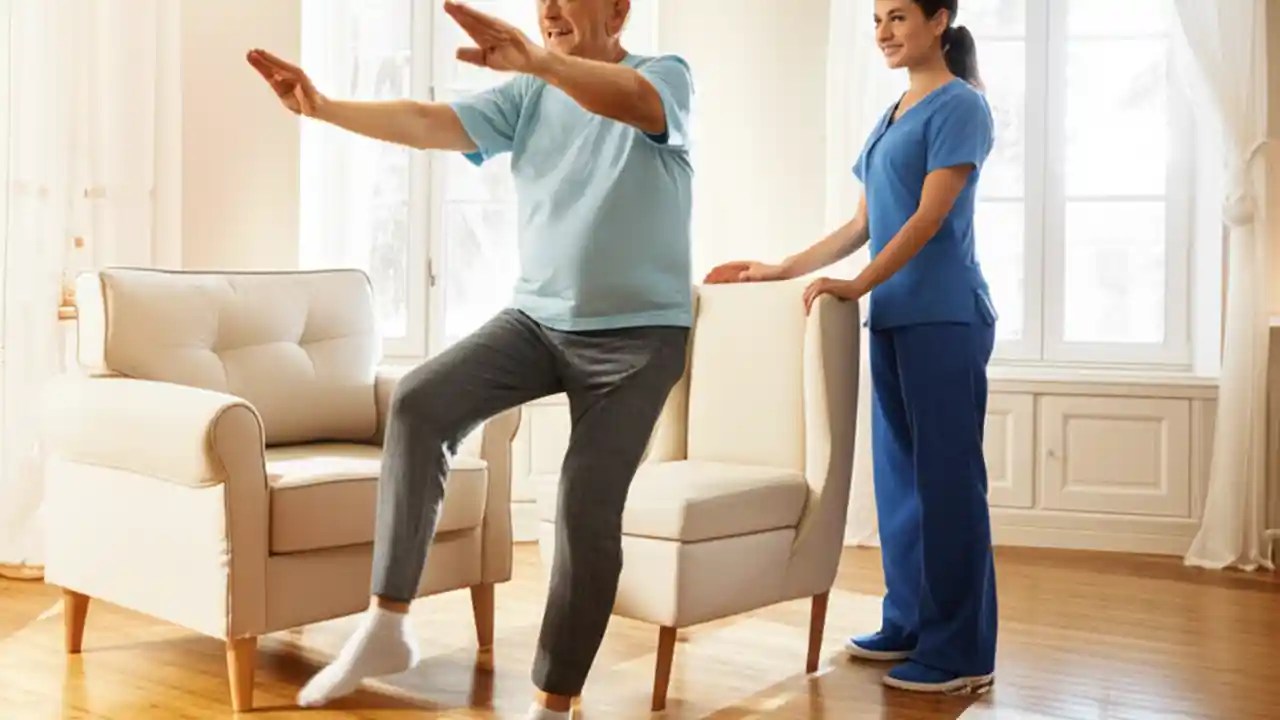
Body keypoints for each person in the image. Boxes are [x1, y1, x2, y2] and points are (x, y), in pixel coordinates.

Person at [247, 1, 694, 717]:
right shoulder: (529, 93)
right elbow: (427, 123)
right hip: (539, 320)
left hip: (638, 342)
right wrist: (323, 107)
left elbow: (635, 104)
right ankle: (388, 623)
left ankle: (554, 702)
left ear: (617, 9)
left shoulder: (663, 75)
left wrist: (541, 62)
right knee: (422, 401)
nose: (548, 8)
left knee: (584, 501)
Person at [704, 0, 997, 695]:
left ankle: (961, 652)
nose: (885, 32)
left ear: (940, 20)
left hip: (946, 317)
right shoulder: (893, 112)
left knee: (948, 487)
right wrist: (785, 268)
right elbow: (865, 220)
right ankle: (908, 622)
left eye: (898, 16)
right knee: (899, 482)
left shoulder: (962, 107)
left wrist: (857, 284)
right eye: (875, 20)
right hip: (896, 319)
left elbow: (930, 217)